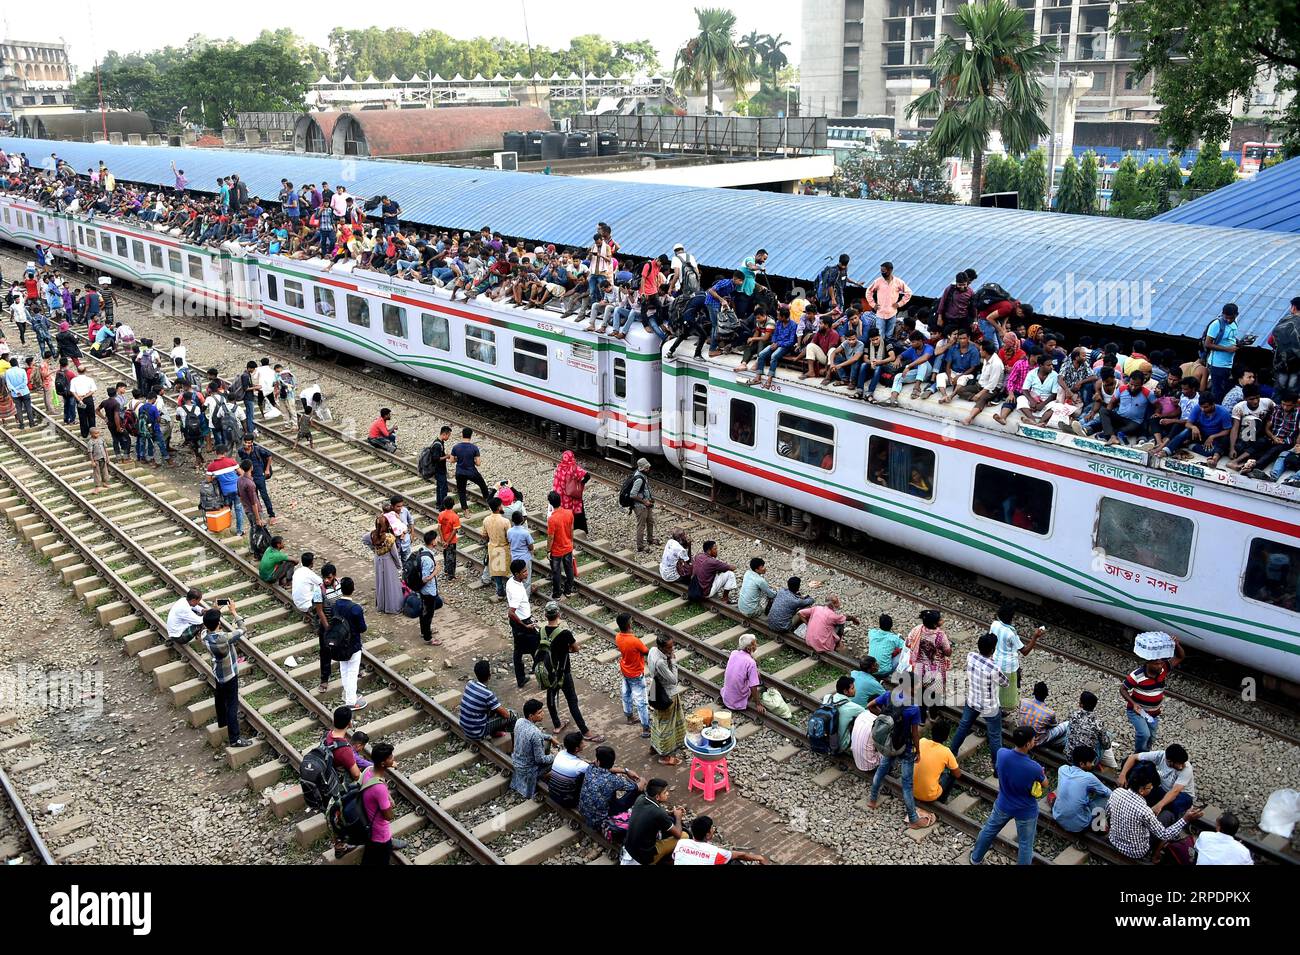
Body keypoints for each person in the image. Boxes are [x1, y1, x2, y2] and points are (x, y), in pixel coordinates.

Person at [969, 726, 1046, 865]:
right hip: (1026, 810)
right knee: (1025, 845)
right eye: (1034, 739)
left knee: (989, 830)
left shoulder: (1001, 753)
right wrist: (1042, 773)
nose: (1035, 741)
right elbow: (1045, 784)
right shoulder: (1034, 767)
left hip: (1003, 803)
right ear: (1028, 744)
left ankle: (976, 858)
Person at [865, 674, 931, 829]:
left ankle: (872, 800)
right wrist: (918, 750)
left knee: (883, 768)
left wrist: (885, 721)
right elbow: (915, 733)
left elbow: (870, 705)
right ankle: (914, 819)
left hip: (889, 743)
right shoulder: (913, 708)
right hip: (904, 746)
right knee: (907, 784)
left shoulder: (889, 695)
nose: (919, 688)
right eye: (917, 686)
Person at [1107, 762, 1202, 861]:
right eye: (1149, 787)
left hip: (1114, 841)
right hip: (1136, 852)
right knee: (1168, 815)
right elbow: (1164, 834)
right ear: (1141, 790)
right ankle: (1155, 854)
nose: (1152, 788)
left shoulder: (1116, 792)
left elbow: (1108, 813)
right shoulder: (1145, 811)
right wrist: (1185, 819)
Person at [540, 602, 599, 740]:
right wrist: (565, 650)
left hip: (548, 672)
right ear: (558, 615)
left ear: (545, 615)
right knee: (572, 701)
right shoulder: (564, 633)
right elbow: (575, 648)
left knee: (551, 699)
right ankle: (585, 732)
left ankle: (557, 725)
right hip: (563, 672)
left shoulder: (542, 631)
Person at [200, 600, 255, 748]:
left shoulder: (204, 636)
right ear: (218, 624)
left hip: (218, 672)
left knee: (219, 696)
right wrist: (233, 612)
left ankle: (222, 721)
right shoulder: (225, 638)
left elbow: (208, 624)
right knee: (232, 704)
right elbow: (242, 628)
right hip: (230, 674)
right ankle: (235, 738)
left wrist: (215, 610)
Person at [947, 633, 1009, 763]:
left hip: (972, 701)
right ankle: (997, 768)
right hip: (989, 707)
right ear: (993, 650)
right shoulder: (994, 668)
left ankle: (951, 753)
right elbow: (1005, 683)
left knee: (963, 726)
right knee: (995, 737)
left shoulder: (971, 656)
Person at [1121, 636, 1184, 753]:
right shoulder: (1137, 676)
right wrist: (1133, 703)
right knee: (1144, 734)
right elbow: (1123, 689)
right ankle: (1139, 755)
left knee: (1152, 736)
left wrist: (1177, 645)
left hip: (1153, 713)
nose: (1160, 666)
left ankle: (1146, 753)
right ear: (1148, 663)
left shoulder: (1163, 669)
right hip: (1137, 711)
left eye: (1161, 663)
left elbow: (1180, 657)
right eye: (1156, 664)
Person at [578, 746, 644, 843]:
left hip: (583, 812)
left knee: (606, 792)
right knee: (637, 791)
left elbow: (604, 769)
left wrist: (625, 771)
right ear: (612, 762)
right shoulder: (613, 780)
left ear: (598, 762)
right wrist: (642, 780)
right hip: (600, 821)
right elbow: (638, 787)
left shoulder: (591, 768)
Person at [990, 602, 1043, 711]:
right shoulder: (1010, 634)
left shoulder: (994, 624)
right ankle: (1003, 709)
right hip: (1009, 666)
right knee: (1008, 689)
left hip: (996, 661)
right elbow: (1025, 651)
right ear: (1011, 618)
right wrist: (1035, 637)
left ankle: (996, 705)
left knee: (997, 687)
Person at [1120, 743, 1196, 818]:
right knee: (1143, 765)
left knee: (1178, 803)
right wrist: (1122, 775)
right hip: (1162, 789)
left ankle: (1172, 815)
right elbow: (1132, 757)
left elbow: (1175, 791)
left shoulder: (1187, 769)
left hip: (1181, 795)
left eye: (1183, 764)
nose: (1181, 767)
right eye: (1179, 764)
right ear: (1169, 761)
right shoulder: (1160, 755)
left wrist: (1159, 805)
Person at [620, 778, 684, 865]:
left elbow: (652, 815)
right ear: (657, 796)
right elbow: (678, 834)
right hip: (643, 858)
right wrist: (678, 817)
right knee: (685, 836)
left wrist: (670, 814)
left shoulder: (641, 799)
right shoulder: (659, 813)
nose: (667, 794)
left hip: (629, 848)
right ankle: (667, 860)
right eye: (665, 792)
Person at [1052, 746, 1111, 835]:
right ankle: (1099, 826)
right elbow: (1108, 793)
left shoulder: (1062, 769)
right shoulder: (1089, 777)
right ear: (1082, 764)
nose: (1092, 764)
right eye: (1091, 762)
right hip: (1079, 825)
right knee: (1107, 798)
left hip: (1057, 816)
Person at [647, 634, 685, 765]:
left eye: (672, 645)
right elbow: (674, 680)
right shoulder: (661, 662)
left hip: (655, 690)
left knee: (658, 719)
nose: (672, 648)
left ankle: (654, 746)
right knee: (667, 725)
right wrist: (673, 661)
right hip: (667, 695)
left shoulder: (653, 650)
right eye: (669, 647)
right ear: (662, 647)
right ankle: (664, 756)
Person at [673, 815, 770, 865]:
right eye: (712, 828)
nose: (714, 829)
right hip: (718, 854)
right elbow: (741, 855)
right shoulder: (715, 852)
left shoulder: (681, 843)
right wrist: (759, 858)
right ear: (708, 834)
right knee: (732, 862)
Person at [359, 742, 398, 866]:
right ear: (382, 763)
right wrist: (390, 806)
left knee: (368, 859)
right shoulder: (379, 788)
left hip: (368, 828)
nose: (393, 759)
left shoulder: (368, 771)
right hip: (380, 835)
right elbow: (388, 816)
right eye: (390, 758)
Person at [504, 559, 541, 688]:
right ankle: (540, 674)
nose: (526, 573)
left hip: (518, 622)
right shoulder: (517, 592)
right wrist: (525, 625)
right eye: (524, 572)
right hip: (523, 622)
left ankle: (521, 678)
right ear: (517, 573)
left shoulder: (511, 581)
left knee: (519, 650)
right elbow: (511, 612)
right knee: (538, 647)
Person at [510, 699, 556, 798]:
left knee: (545, 742)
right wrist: (555, 756)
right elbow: (540, 760)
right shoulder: (536, 733)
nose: (543, 714)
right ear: (531, 716)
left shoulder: (520, 721)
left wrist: (550, 737)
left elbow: (532, 737)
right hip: (529, 770)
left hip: (516, 762)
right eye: (539, 713)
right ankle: (544, 778)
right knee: (556, 760)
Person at [615, 613, 651, 738]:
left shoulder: (618, 637)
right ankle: (646, 728)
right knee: (641, 702)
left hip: (625, 671)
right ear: (629, 625)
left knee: (626, 694)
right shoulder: (635, 641)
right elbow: (646, 651)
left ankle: (629, 717)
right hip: (636, 674)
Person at [459, 659, 515, 739]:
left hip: (464, 728)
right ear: (489, 676)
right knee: (513, 715)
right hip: (477, 732)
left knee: (492, 709)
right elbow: (506, 715)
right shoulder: (488, 694)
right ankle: (514, 745)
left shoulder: (469, 684)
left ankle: (494, 732)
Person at [906, 609, 951, 704]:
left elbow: (907, 643)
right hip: (935, 670)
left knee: (921, 691)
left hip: (919, 667)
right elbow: (948, 652)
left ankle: (921, 711)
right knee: (934, 693)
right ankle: (932, 714)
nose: (942, 620)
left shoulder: (917, 629)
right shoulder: (940, 635)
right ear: (935, 624)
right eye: (940, 619)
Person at [360, 516, 403, 613]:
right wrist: (399, 566)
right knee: (391, 583)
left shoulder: (371, 535)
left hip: (378, 560)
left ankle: (382, 605)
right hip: (388, 562)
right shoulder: (389, 538)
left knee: (380, 582)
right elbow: (395, 555)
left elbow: (364, 539)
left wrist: (373, 550)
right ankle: (392, 606)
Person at [914, 717, 961, 805]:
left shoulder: (922, 741)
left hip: (911, 790)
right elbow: (957, 774)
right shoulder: (946, 751)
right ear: (946, 737)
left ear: (931, 732)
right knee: (951, 775)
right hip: (929, 796)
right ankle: (942, 800)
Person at [1203, 303, 1240, 402]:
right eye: (1226, 317)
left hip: (1228, 363)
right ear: (1223, 314)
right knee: (1217, 391)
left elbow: (1230, 338)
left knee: (1225, 389)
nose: (1228, 320)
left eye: (1231, 318)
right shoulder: (1216, 324)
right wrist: (1227, 349)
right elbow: (1208, 344)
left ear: (1236, 315)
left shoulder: (1235, 322)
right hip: (1217, 364)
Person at [1065, 690, 1111, 766]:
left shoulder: (1073, 715)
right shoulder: (1098, 722)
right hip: (1086, 764)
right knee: (1108, 736)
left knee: (1070, 729)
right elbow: (1107, 746)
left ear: (1081, 704)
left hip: (1069, 757)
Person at [721, 633, 764, 714]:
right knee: (756, 678)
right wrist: (758, 704)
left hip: (726, 698)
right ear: (748, 649)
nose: (756, 646)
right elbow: (753, 686)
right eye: (754, 644)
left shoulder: (734, 653)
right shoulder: (751, 662)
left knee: (753, 674)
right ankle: (743, 700)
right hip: (737, 703)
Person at [237, 435, 276, 525]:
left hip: (259, 475)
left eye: (249, 442)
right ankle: (259, 515)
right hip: (250, 477)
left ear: (252, 442)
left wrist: (266, 469)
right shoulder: (241, 451)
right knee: (254, 497)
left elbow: (269, 456)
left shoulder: (258, 449)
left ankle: (271, 515)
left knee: (264, 495)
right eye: (246, 442)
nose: (248, 444)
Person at [552, 450, 591, 535]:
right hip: (574, 497)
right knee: (578, 513)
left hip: (562, 498)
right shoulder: (574, 468)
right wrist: (580, 483)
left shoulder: (559, 468)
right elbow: (587, 476)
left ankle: (565, 531)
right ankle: (580, 531)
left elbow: (555, 484)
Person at [545, 490, 575, 600]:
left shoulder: (552, 519)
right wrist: (571, 542)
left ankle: (557, 594)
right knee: (569, 569)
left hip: (557, 550)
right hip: (568, 547)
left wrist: (548, 550)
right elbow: (571, 530)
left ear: (550, 504)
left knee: (556, 572)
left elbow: (551, 537)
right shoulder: (569, 513)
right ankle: (568, 590)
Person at [451, 427, 491, 509]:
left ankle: (466, 511)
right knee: (482, 485)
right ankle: (488, 501)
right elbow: (478, 463)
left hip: (460, 472)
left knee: (461, 491)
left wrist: (458, 458)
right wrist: (472, 460)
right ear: (471, 436)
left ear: (462, 434)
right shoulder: (474, 448)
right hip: (471, 472)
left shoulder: (456, 447)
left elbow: (452, 460)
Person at [480, 495, 510, 599]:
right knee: (508, 571)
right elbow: (509, 536)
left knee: (497, 572)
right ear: (498, 507)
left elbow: (483, 535)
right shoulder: (505, 521)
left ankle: (500, 591)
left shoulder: (486, 520)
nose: (502, 507)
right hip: (504, 548)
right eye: (501, 505)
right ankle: (509, 591)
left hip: (492, 547)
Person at [866, 615, 907, 682]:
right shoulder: (894, 638)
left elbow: (872, 631)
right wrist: (901, 638)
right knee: (903, 653)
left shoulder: (872, 633)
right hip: (884, 671)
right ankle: (896, 674)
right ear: (891, 625)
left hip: (870, 668)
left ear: (879, 624)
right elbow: (906, 646)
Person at [629, 457, 656, 552]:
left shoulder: (642, 475)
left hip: (646, 504)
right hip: (640, 506)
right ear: (642, 469)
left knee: (650, 521)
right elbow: (632, 494)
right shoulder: (639, 479)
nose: (648, 469)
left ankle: (650, 539)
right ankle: (640, 546)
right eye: (646, 468)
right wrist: (644, 501)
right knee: (641, 526)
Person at [429, 425, 452, 506]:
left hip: (439, 469)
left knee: (439, 487)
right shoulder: (437, 445)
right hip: (439, 469)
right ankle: (442, 505)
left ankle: (439, 503)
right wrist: (446, 456)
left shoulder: (439, 442)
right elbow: (436, 458)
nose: (449, 437)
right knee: (443, 488)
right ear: (444, 434)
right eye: (448, 435)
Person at [438, 496, 460, 580]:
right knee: (451, 557)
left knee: (445, 554)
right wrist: (448, 541)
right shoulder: (455, 516)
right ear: (453, 505)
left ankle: (446, 570)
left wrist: (443, 540)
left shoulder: (441, 514)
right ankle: (450, 575)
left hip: (443, 539)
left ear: (444, 504)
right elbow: (454, 531)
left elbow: (439, 528)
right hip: (451, 541)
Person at [86, 427, 109, 492]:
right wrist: (92, 461)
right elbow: (90, 452)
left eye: (98, 433)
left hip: (103, 457)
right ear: (91, 434)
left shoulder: (101, 439)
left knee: (105, 471)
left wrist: (107, 457)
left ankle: (105, 482)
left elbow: (105, 449)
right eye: (95, 433)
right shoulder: (90, 442)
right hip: (96, 459)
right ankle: (97, 486)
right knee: (97, 472)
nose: (97, 434)